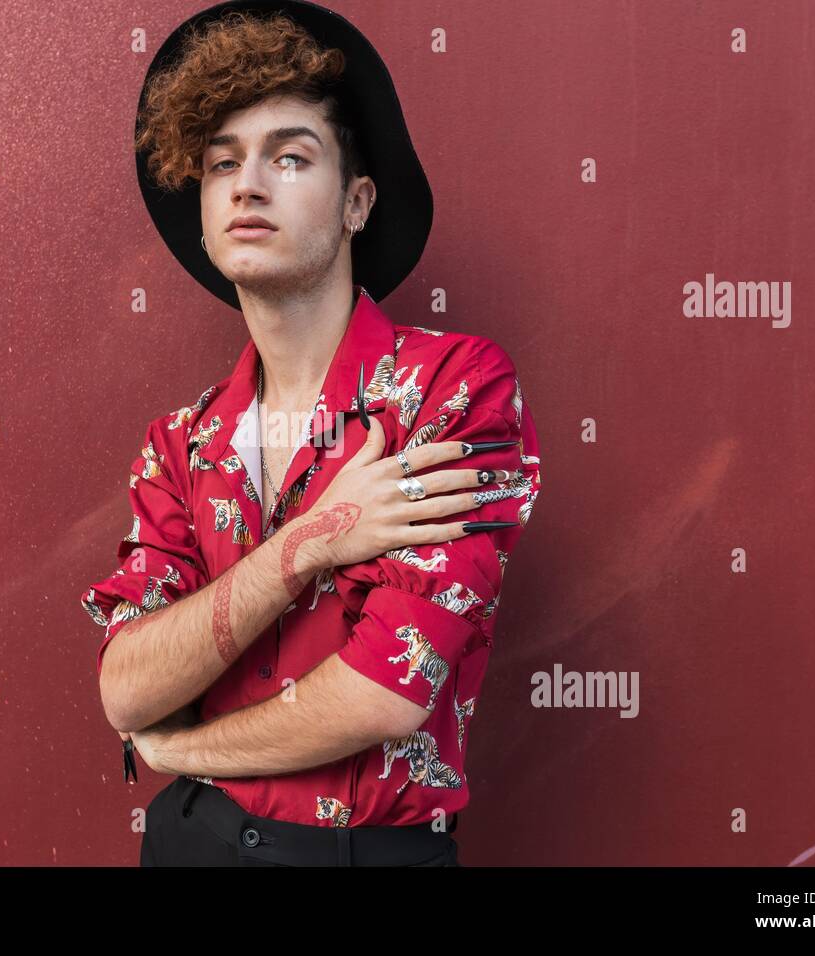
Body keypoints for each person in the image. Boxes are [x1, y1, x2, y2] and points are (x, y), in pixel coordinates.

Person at [79, 0, 542, 866]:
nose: (248, 184)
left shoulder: (452, 388)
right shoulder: (180, 444)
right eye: (223, 164)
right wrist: (312, 542)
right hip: (190, 846)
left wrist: (180, 751)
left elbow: (384, 692)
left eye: (290, 157)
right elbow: (125, 686)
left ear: (358, 201)